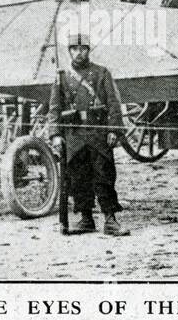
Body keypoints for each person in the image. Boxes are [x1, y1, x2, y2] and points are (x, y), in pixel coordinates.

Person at [47, 31, 129, 236]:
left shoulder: (102, 73)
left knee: (104, 176)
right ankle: (86, 219)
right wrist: (56, 134)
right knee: (78, 179)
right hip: (75, 135)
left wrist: (113, 130)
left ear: (88, 50)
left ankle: (110, 219)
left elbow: (113, 103)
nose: (79, 53)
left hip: (98, 133)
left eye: (83, 49)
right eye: (75, 49)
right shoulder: (62, 77)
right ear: (69, 51)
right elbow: (54, 108)